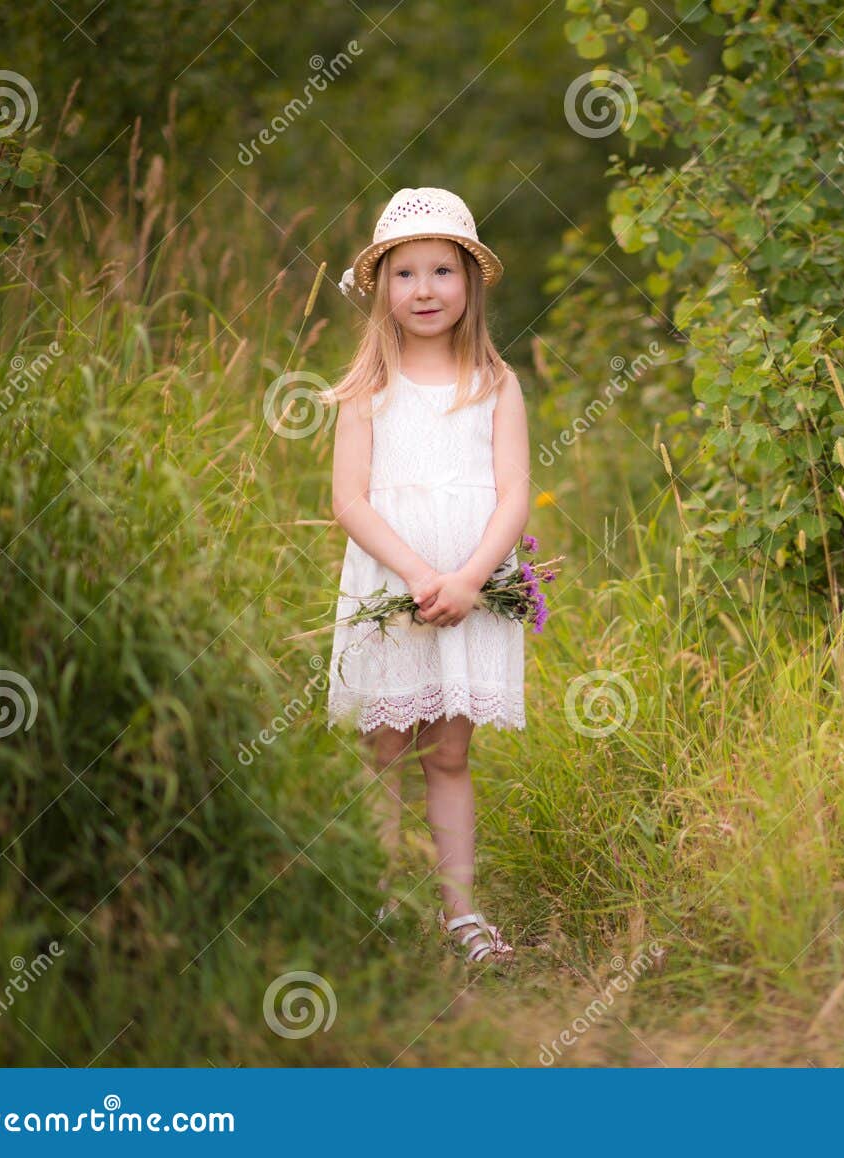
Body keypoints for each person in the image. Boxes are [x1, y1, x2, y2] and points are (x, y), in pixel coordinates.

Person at [321, 187, 528, 965]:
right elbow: (349, 500)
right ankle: (376, 903)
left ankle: (461, 913)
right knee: (383, 750)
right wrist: (416, 574)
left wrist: (470, 578)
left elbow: (513, 493)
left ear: (470, 280)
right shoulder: (367, 391)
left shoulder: (495, 384)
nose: (425, 289)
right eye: (405, 274)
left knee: (447, 754)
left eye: (443, 270)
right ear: (382, 288)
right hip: (391, 588)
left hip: (470, 593)